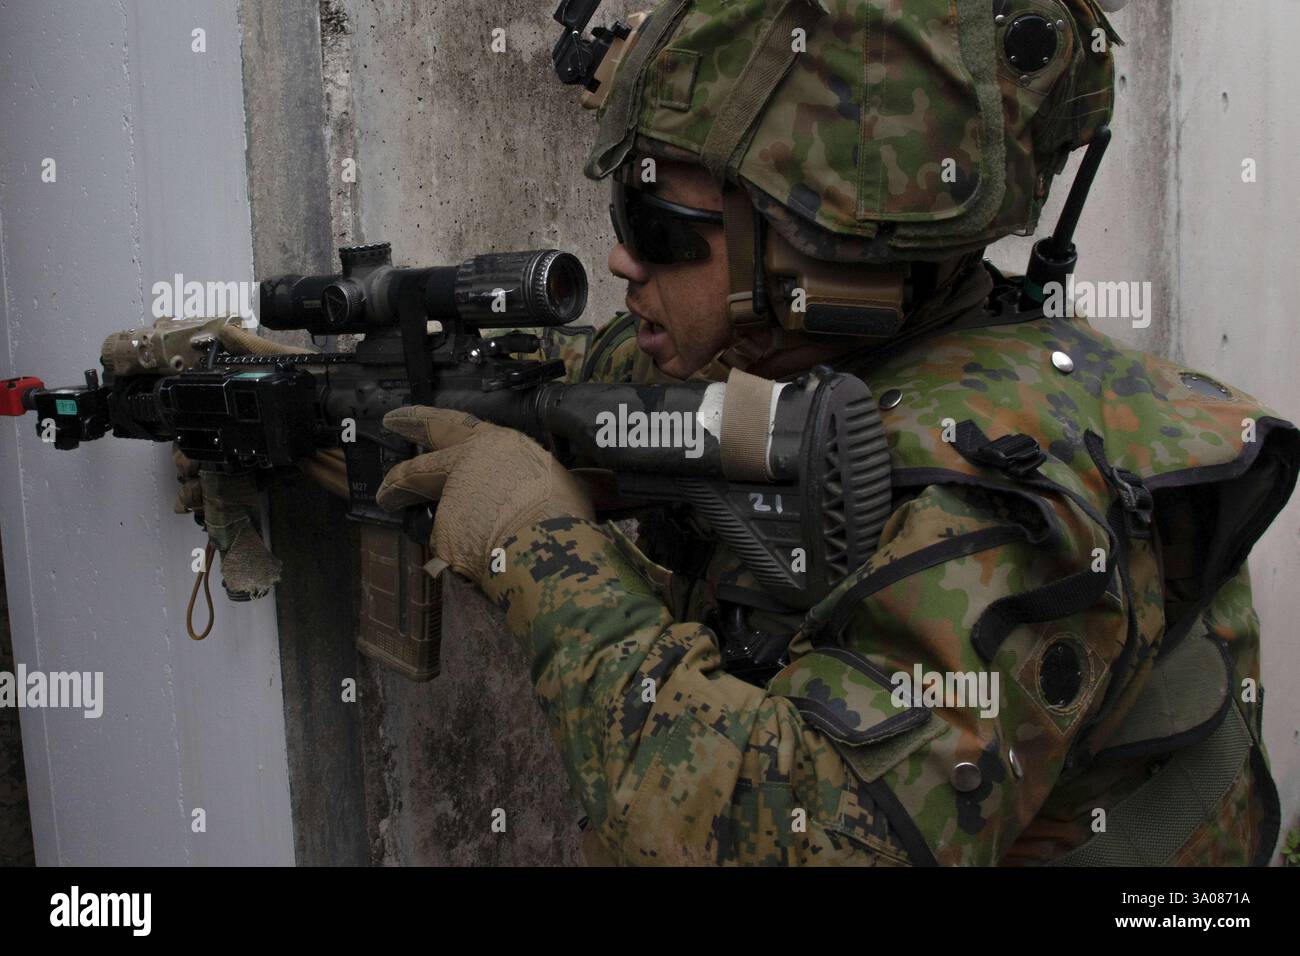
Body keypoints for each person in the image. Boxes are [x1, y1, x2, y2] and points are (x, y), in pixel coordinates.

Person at [373, 0, 1299, 865]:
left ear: (809, 247)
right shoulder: (869, 347)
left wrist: (540, 550)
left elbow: (789, 831)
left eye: (652, 223)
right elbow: (601, 377)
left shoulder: (994, 495)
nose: (619, 255)